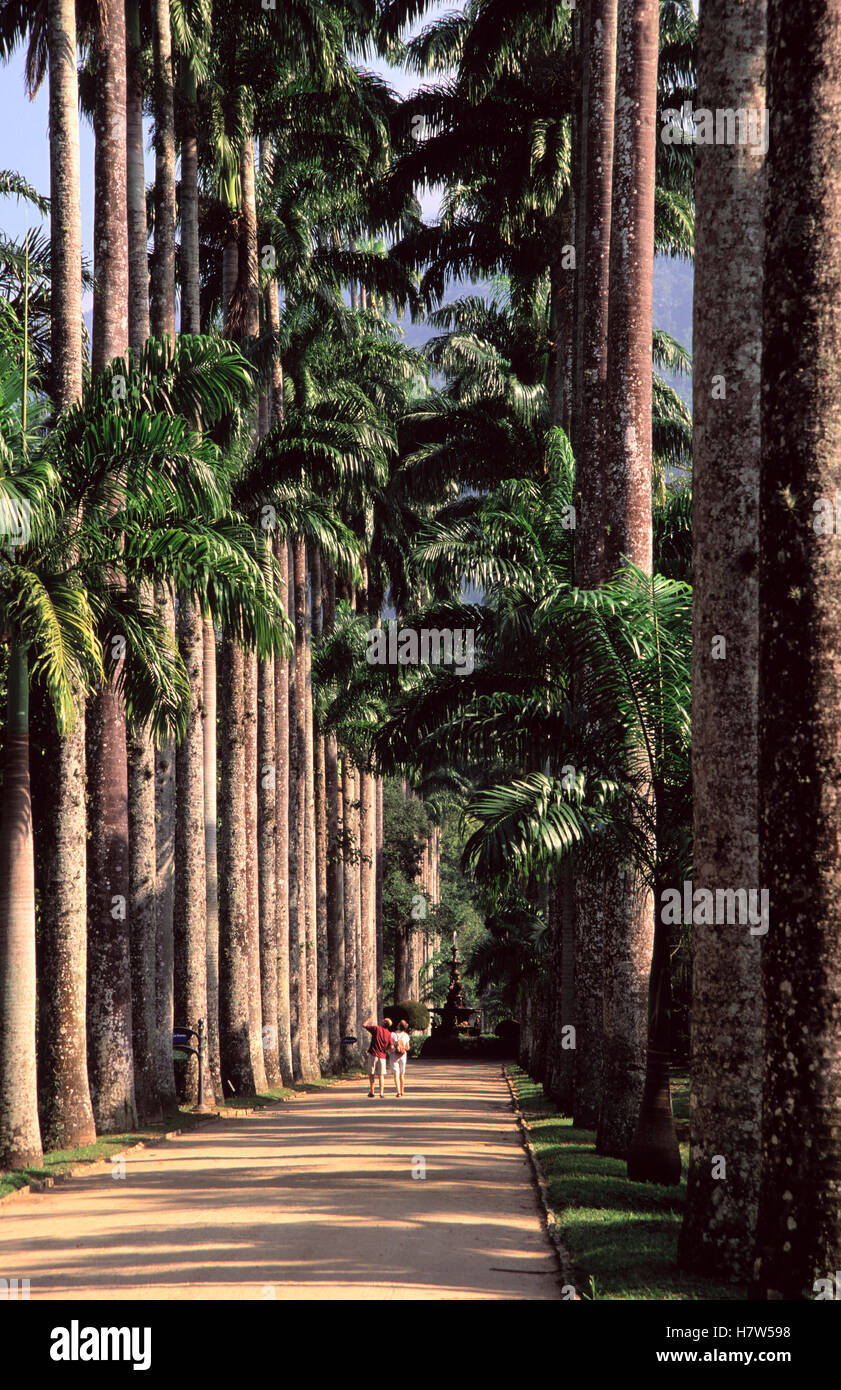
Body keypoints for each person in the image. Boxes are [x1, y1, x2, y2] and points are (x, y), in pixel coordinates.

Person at [363, 1014, 393, 1098]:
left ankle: (372, 1091)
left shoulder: (377, 1029)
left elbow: (364, 1025)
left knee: (371, 1074)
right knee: (381, 1075)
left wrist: (369, 1018)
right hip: (382, 1056)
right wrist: (385, 1050)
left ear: (383, 1023)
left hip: (373, 1054)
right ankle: (381, 1093)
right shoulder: (388, 1034)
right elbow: (391, 1046)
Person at [390, 1018, 411, 1098]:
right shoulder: (406, 1035)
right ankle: (402, 1090)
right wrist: (403, 1049)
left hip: (394, 1055)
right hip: (403, 1055)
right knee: (402, 1075)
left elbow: (390, 1045)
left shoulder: (393, 1034)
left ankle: (398, 1091)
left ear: (399, 1026)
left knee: (396, 1074)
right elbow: (408, 1047)